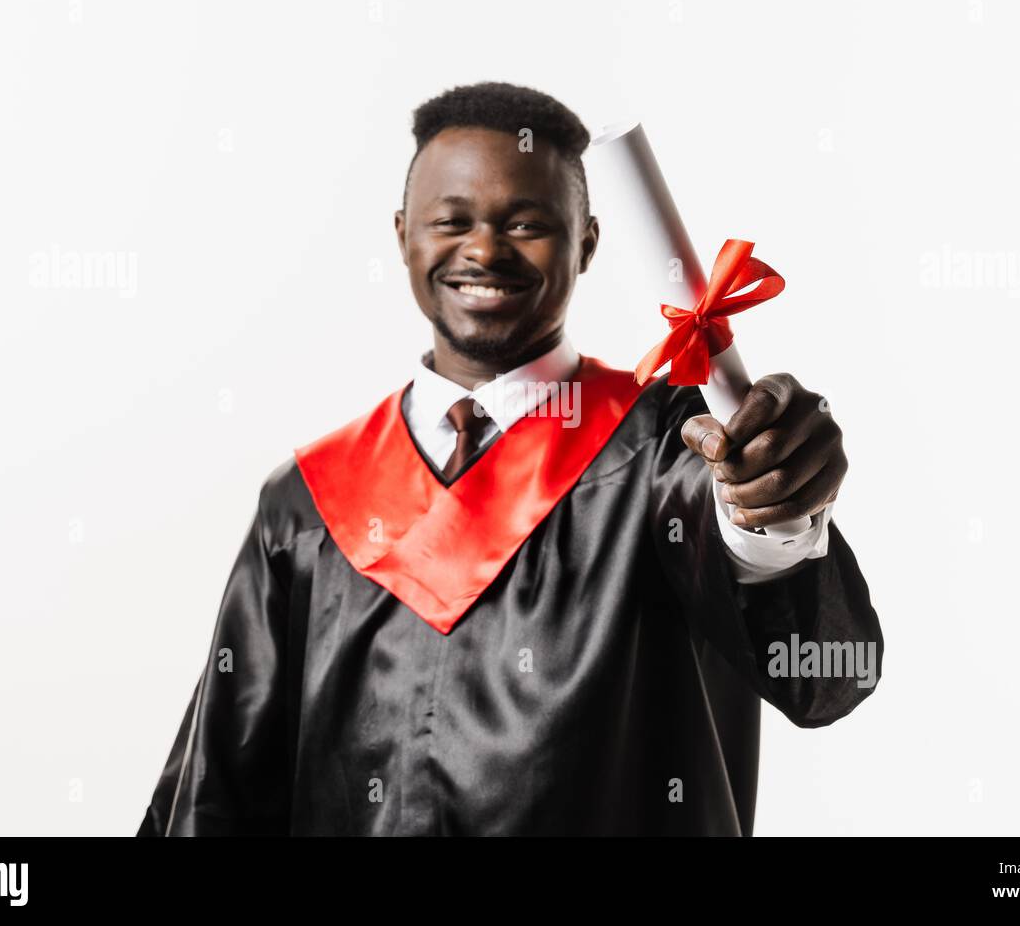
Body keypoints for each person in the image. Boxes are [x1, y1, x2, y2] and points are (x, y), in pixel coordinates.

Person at [137, 81, 883, 836]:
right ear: (403, 236)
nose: (485, 249)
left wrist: (776, 512)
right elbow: (218, 793)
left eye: (526, 224)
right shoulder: (304, 505)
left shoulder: (666, 451)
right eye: (450, 221)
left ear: (586, 242)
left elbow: (823, 673)